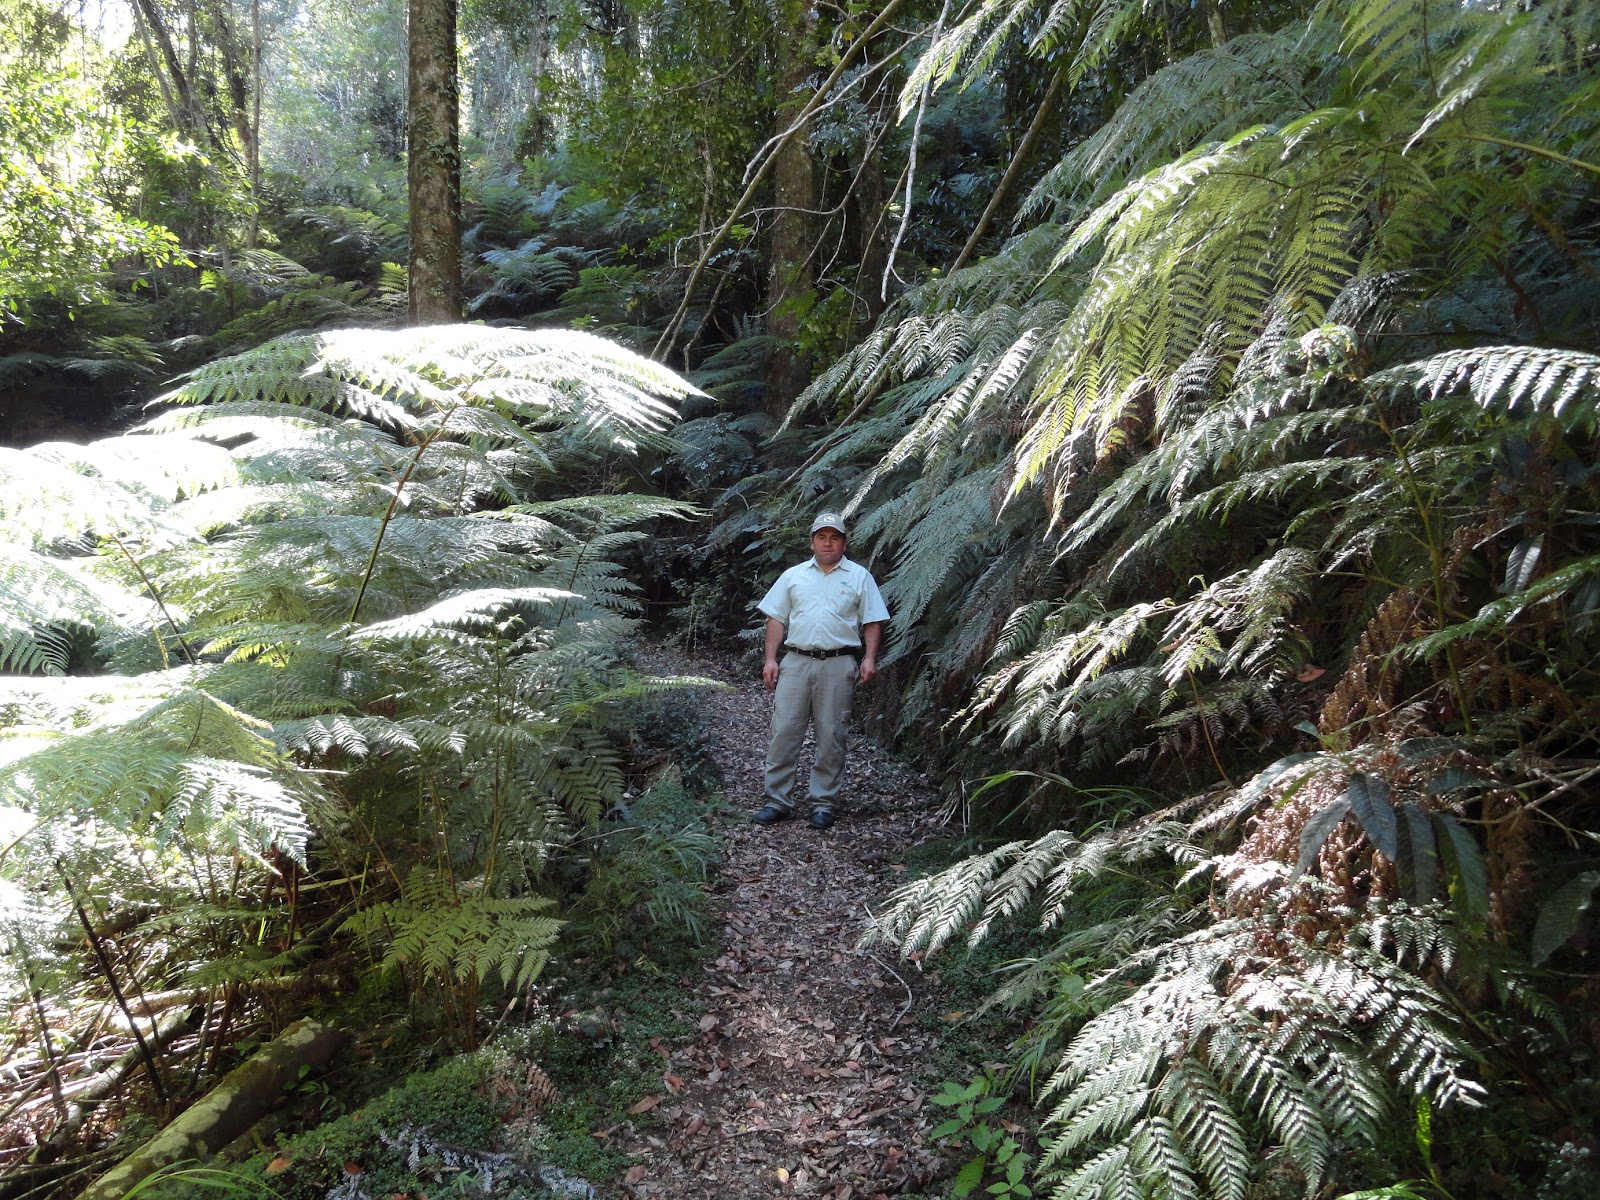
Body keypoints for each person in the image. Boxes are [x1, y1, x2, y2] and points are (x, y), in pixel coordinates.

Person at [751, 512, 890, 829]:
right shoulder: (793, 576)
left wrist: (869, 658)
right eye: (822, 537)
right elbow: (776, 619)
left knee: (831, 734)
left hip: (839, 664)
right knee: (784, 730)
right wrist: (770, 659)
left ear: (844, 542)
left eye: (835, 537)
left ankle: (823, 804)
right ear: (812, 541)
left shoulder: (859, 577)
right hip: (796, 662)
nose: (828, 543)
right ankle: (776, 801)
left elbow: (872, 620)